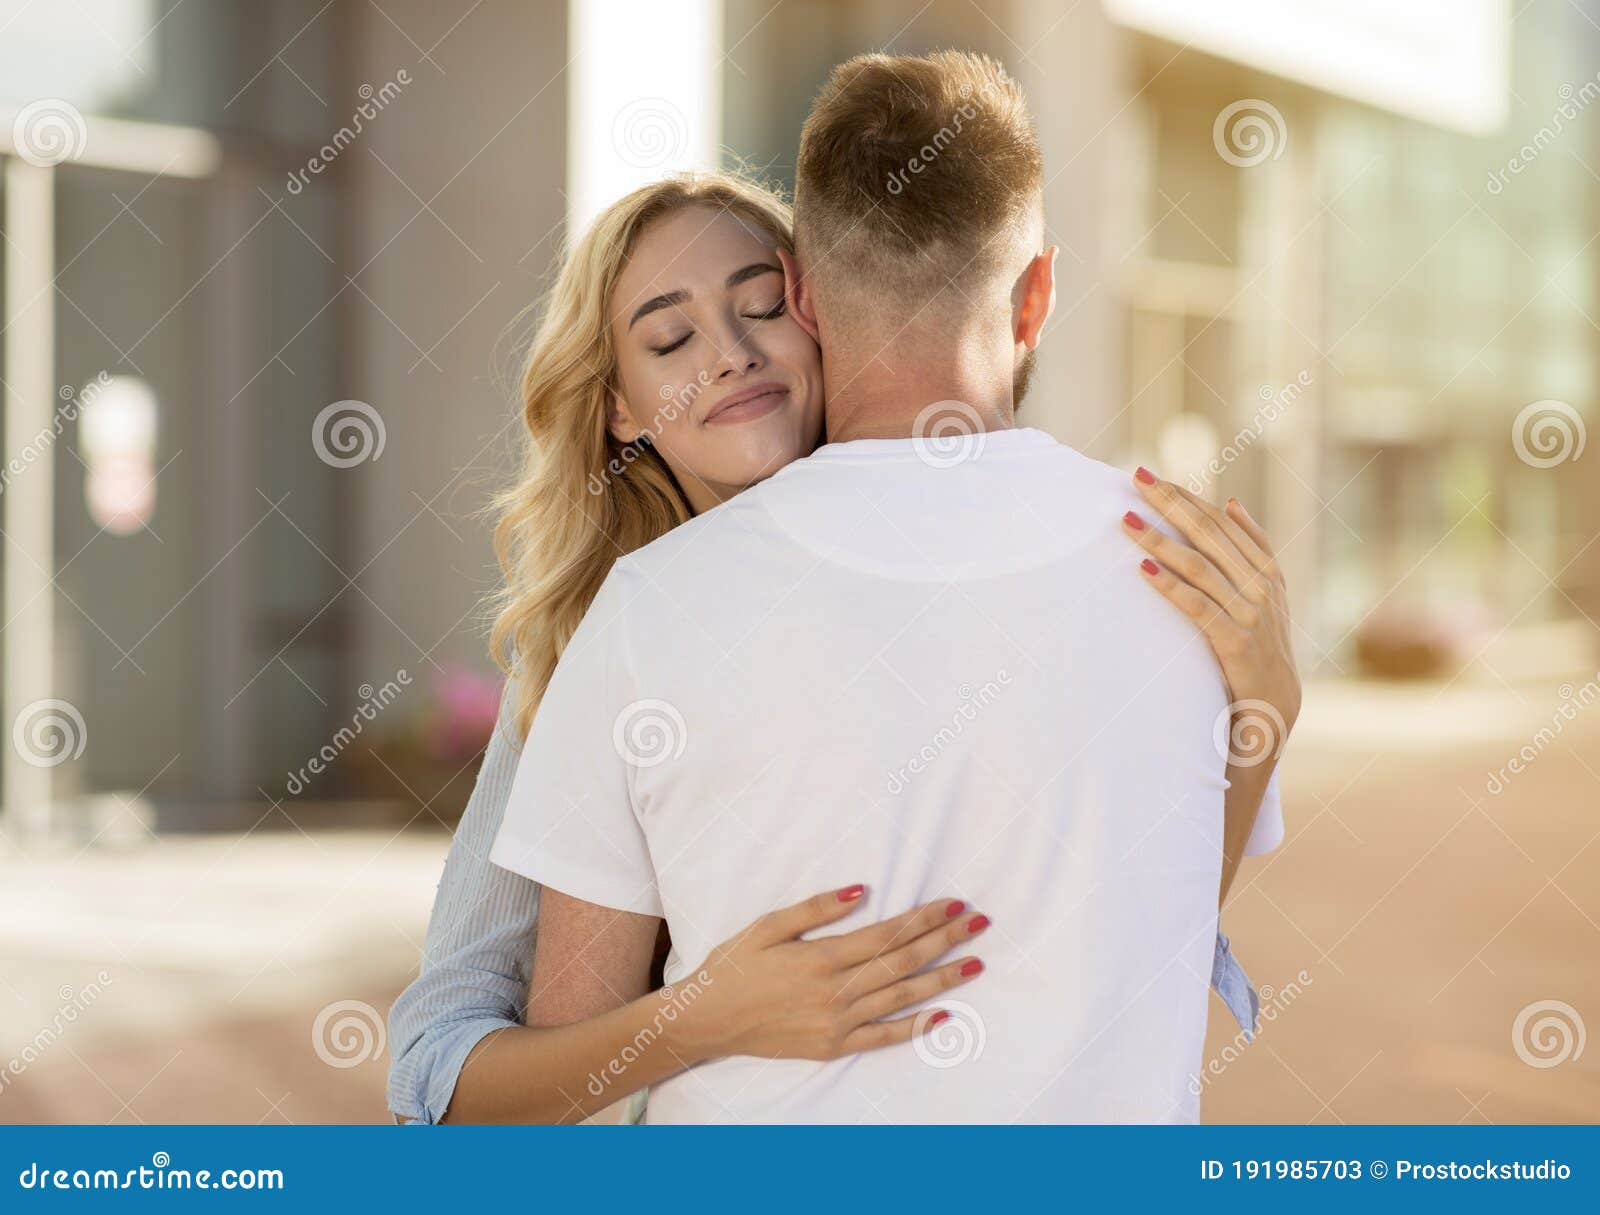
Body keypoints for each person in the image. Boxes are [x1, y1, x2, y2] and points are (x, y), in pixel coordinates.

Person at [484, 51, 1297, 1124]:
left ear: (806, 299)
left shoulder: (648, 609)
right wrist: (1268, 709)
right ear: (1037, 295)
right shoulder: (1195, 577)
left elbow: (558, 1096)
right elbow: (1150, 929)